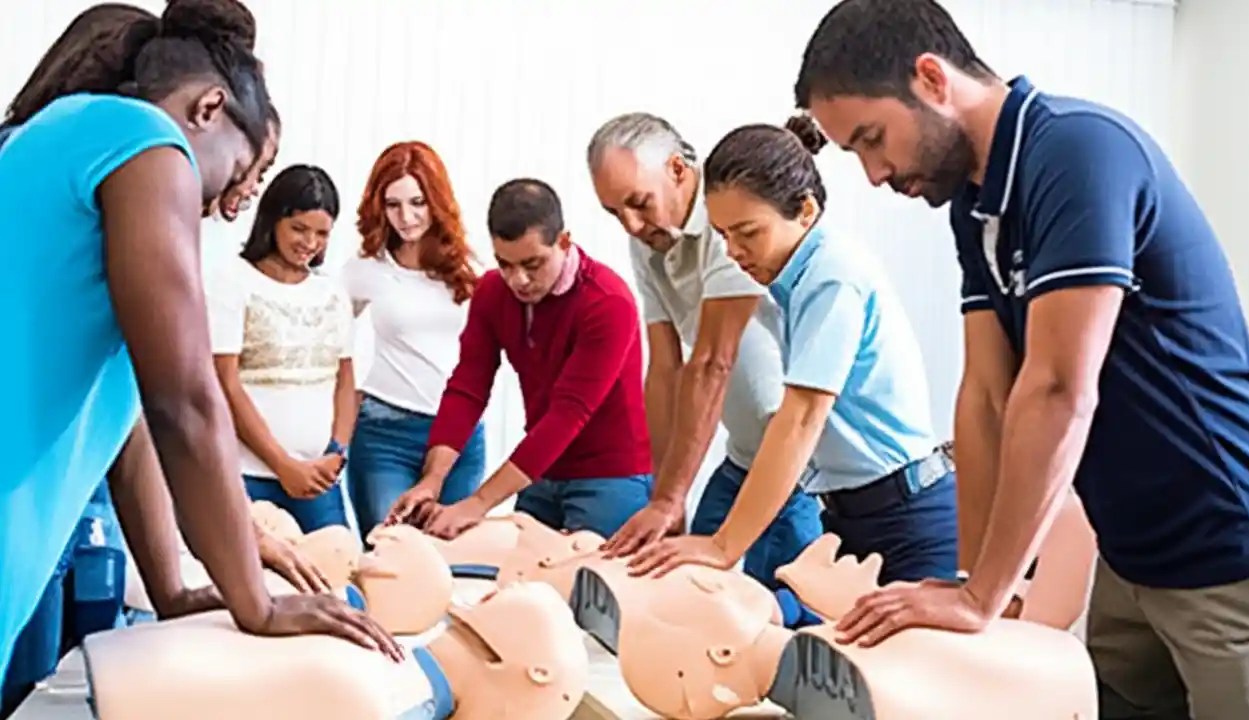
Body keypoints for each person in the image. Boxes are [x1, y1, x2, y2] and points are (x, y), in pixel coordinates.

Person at [793, 2, 1249, 718]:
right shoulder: (976, 204)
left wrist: (980, 597)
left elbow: (1056, 390)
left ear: (931, 79)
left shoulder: (1078, 152)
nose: (873, 174)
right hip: (1131, 549)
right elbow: (988, 393)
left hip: (1228, 545)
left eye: (872, 139)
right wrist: (975, 577)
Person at [0, 0, 400, 686]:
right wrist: (258, 605)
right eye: (240, 168)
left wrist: (175, 591)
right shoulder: (141, 136)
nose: (225, 199)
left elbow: (129, 435)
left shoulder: (56, 136)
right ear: (210, 108)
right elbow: (185, 400)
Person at [628, 118, 958, 590]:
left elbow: (800, 418)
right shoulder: (792, 283)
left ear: (805, 210)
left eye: (747, 233)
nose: (734, 252)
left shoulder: (831, 276)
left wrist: (723, 546)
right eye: (723, 236)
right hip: (849, 513)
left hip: (908, 521)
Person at [587, 112, 823, 588]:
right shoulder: (647, 243)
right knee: (683, 582)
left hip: (795, 469)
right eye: (615, 213)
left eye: (638, 203)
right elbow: (665, 371)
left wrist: (670, 498)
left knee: (785, 604)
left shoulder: (729, 225)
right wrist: (662, 492)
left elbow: (712, 363)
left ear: (677, 170)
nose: (631, 225)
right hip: (741, 456)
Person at [387, 179, 653, 540]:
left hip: (610, 475)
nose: (519, 280)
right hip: (542, 473)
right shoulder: (492, 293)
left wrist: (479, 502)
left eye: (532, 264)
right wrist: (432, 481)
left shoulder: (607, 302)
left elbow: (568, 414)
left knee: (590, 590)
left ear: (563, 241)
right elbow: (468, 388)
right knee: (517, 587)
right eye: (505, 264)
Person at [342, 141, 487, 539]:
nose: (405, 217)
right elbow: (332, 343)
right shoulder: (365, 270)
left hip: (460, 438)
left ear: (436, 201)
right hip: (385, 434)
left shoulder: (471, 269)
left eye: (417, 202)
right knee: (392, 556)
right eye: (393, 205)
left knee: (453, 560)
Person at [208, 164, 356, 533]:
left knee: (338, 580)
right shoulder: (231, 282)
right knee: (260, 585)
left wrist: (336, 452)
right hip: (248, 474)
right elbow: (225, 384)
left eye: (322, 233)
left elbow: (345, 381)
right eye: (299, 229)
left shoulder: (332, 292)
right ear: (272, 220)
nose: (310, 243)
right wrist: (282, 465)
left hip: (320, 478)